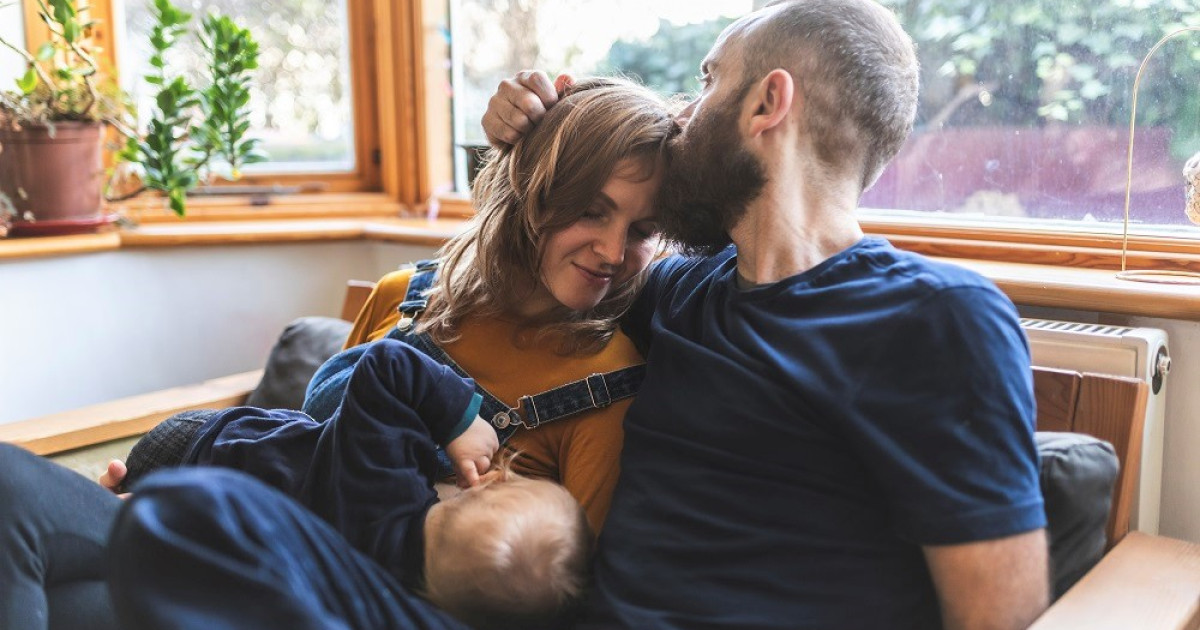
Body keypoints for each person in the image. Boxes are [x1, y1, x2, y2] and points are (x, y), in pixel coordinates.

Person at [108, 1, 1049, 628]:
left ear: (769, 103)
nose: (682, 116)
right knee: (196, 516)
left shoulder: (939, 318)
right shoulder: (673, 297)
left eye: (707, 84)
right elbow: (506, 283)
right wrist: (528, 138)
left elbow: (1001, 619)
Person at [0, 76, 672, 630]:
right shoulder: (407, 297)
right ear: (533, 190)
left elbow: (561, 603)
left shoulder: (605, 392)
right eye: (591, 210)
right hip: (226, 514)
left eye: (641, 229)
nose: (613, 252)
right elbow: (314, 450)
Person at [109, 338, 591, 630]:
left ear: (486, 484)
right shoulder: (385, 593)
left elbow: (387, 364)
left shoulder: (384, 478)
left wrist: (460, 422)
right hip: (200, 509)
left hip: (198, 446)